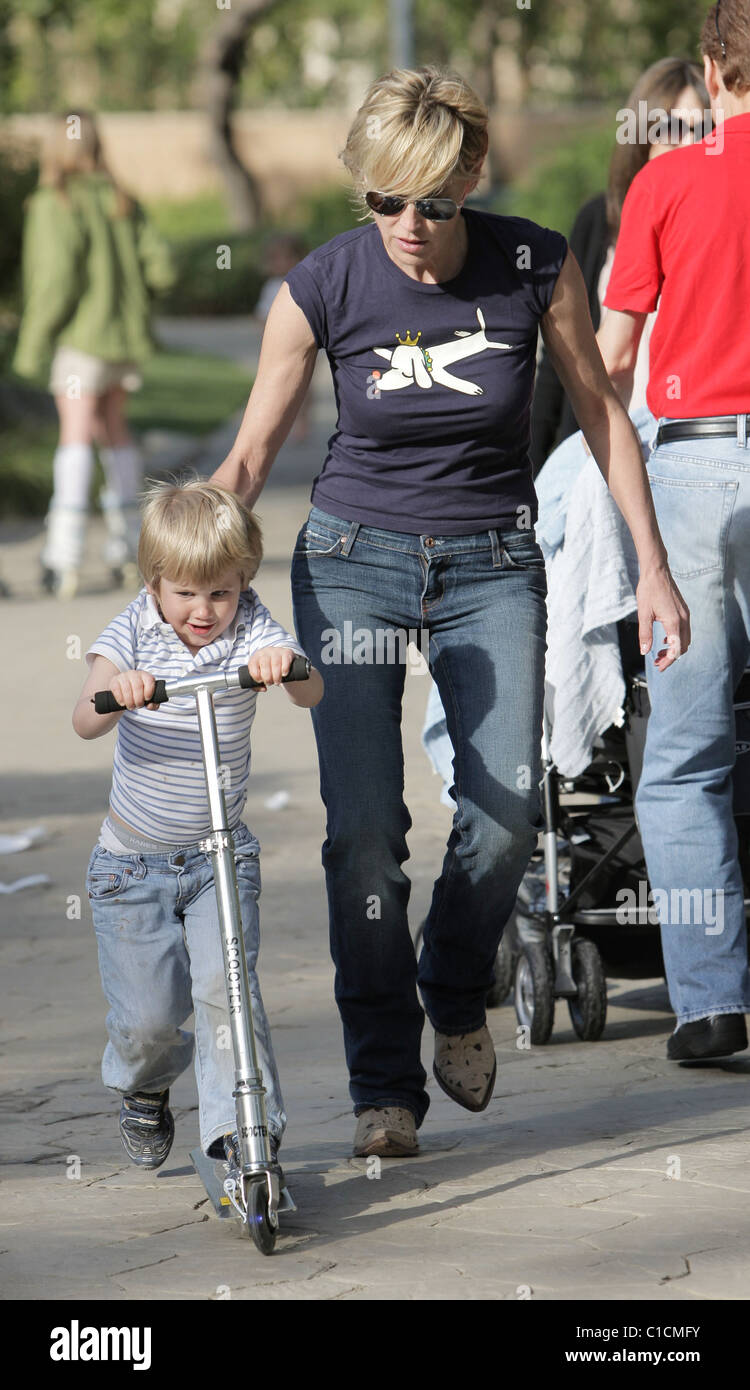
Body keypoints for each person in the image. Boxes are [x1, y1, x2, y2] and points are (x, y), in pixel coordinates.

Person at [212, 65, 689, 1158]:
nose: (408, 225)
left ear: (470, 175)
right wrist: (188, 596)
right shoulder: (322, 285)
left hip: (491, 559)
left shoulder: (534, 263)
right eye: (384, 199)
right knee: (367, 836)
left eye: (431, 199)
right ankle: (383, 1083)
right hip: (351, 562)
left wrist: (652, 567)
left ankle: (455, 980)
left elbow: (606, 416)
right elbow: (249, 454)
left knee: (514, 807)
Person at [71, 480, 323, 1173]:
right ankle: (145, 1086)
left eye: (222, 591)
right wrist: (116, 692)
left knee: (228, 994)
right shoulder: (132, 629)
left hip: (220, 860)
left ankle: (247, 1134)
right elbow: (84, 721)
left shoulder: (252, 625)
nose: (205, 610)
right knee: (149, 1020)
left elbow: (311, 690)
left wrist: (285, 666)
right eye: (186, 592)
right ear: (154, 584)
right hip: (132, 866)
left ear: (243, 581)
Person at [597, 0, 750, 1061]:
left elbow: (609, 360)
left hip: (697, 466)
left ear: (712, 66)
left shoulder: (662, 183)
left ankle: (710, 1000)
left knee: (687, 759)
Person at [12, 110, 177, 599]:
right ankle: (130, 550)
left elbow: (55, 283)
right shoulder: (123, 200)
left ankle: (63, 555)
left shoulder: (53, 203)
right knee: (116, 434)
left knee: (76, 434)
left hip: (82, 344)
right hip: (123, 345)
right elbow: (163, 268)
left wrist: (32, 345)